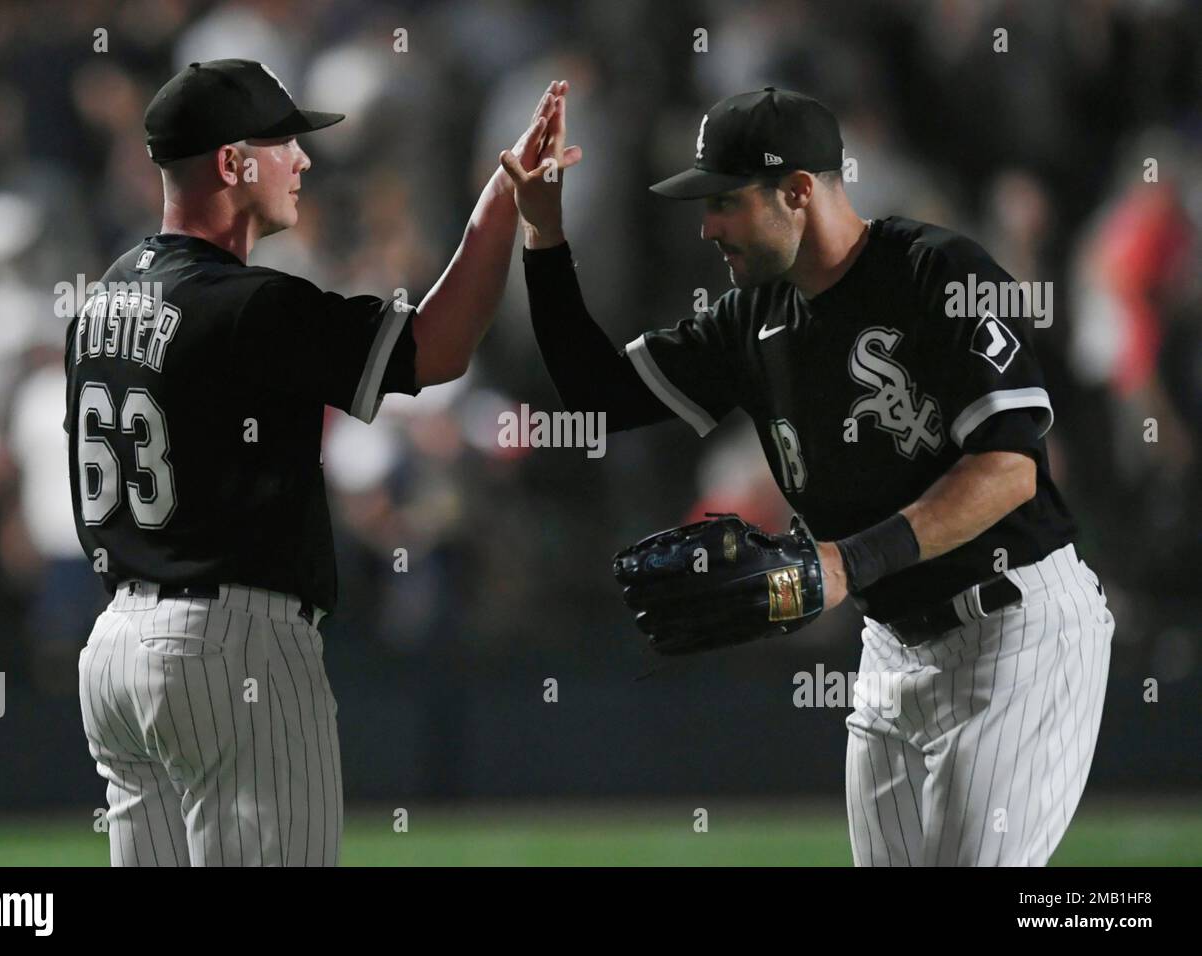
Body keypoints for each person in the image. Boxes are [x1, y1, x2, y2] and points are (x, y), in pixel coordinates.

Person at [503, 86, 1114, 866]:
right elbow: (595, 393)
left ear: (797, 191)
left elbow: (1008, 470)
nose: (707, 227)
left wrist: (847, 562)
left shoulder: (937, 274)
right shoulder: (749, 319)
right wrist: (544, 232)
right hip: (894, 647)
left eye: (725, 201)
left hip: (1016, 631)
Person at [66, 59, 565, 866]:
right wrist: (502, 201)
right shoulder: (251, 303)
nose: (302, 160)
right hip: (230, 646)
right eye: (283, 142)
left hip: (117, 645)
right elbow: (436, 349)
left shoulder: (99, 302)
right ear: (233, 163)